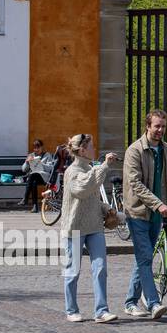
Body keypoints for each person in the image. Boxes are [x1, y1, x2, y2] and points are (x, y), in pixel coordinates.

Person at [60, 134, 120, 323]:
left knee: (100, 268)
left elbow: (92, 199)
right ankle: (71, 310)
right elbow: (82, 190)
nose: (95, 149)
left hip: (94, 226)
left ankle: (101, 311)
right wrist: (104, 166)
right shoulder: (72, 171)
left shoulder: (89, 168)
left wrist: (106, 208)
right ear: (83, 150)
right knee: (73, 271)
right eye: (92, 146)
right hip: (75, 227)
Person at [122, 109, 167, 319]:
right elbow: (135, 184)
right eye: (157, 126)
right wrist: (158, 204)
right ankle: (153, 303)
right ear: (147, 126)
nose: (160, 130)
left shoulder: (166, 149)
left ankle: (130, 302)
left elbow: (163, 178)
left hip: (156, 214)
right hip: (137, 212)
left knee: (143, 258)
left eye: (163, 126)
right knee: (144, 257)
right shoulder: (134, 150)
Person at [22, 139, 51, 212]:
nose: (36, 149)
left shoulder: (47, 155)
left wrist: (41, 164)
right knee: (33, 181)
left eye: (38, 147)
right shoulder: (31, 155)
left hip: (43, 177)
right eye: (35, 148)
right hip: (33, 178)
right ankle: (35, 206)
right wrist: (27, 162)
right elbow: (24, 170)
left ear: (42, 147)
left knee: (32, 176)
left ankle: (25, 198)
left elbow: (50, 168)